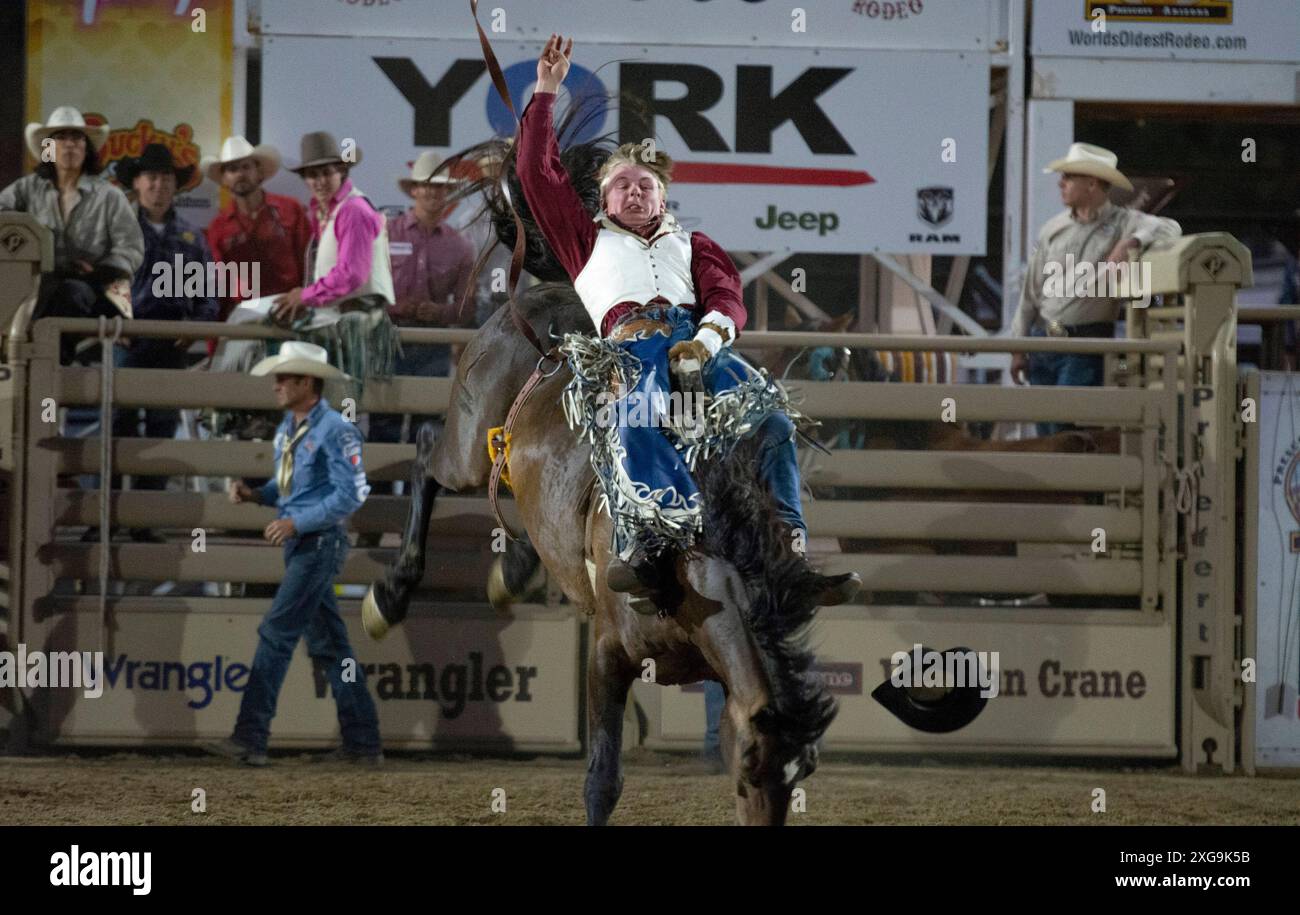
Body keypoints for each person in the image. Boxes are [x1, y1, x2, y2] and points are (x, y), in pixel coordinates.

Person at [519, 35, 859, 604]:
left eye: (644, 185)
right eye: (622, 184)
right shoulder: (583, 240)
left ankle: (789, 551)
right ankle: (649, 539)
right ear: (603, 201)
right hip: (627, 348)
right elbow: (536, 174)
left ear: (662, 198)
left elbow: (727, 297)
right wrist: (547, 92)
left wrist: (703, 342)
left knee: (772, 420)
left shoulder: (693, 244)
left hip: (697, 346)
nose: (634, 191)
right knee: (634, 411)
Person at [206, 341, 382, 767]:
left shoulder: (335, 429)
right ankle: (362, 742)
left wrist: (295, 523)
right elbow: (293, 490)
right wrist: (257, 495)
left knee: (277, 634)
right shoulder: (291, 427)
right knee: (329, 646)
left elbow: (352, 492)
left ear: (308, 382)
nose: (276, 384)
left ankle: (250, 738)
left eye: (284, 378)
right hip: (308, 544)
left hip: (318, 544)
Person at [89, 143, 218, 543]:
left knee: (160, 428)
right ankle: (103, 517)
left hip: (170, 343)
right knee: (116, 424)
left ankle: (144, 518)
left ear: (175, 186)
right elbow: (102, 281)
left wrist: (197, 325)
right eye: (151, 177)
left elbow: (208, 295)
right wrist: (114, 320)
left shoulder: (192, 237)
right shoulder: (116, 229)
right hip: (127, 337)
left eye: (165, 178)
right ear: (137, 183)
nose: (158, 185)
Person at [1010, 143, 1181, 434]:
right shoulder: (1053, 228)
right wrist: (1018, 347)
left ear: (1091, 184)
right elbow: (1031, 293)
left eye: (1068, 177)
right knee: (1047, 425)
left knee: (1063, 424)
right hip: (1044, 340)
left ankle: (1070, 476)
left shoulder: (1123, 222)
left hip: (1085, 341)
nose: (1060, 183)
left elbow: (1169, 227)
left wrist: (1130, 242)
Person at [0, 106, 143, 361]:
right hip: (34, 287)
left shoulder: (109, 196)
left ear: (86, 149)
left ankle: (46, 362)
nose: (69, 145)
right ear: (48, 148)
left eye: (76, 138)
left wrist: (100, 272)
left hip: (93, 288)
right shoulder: (27, 189)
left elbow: (130, 248)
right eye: (61, 138)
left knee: (72, 293)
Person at [203, 135, 312, 322]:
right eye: (232, 169)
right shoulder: (218, 228)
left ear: (259, 173)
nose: (240, 174)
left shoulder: (290, 209)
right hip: (245, 316)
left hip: (291, 311)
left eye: (246, 167)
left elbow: (310, 261)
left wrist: (306, 296)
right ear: (224, 179)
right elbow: (218, 287)